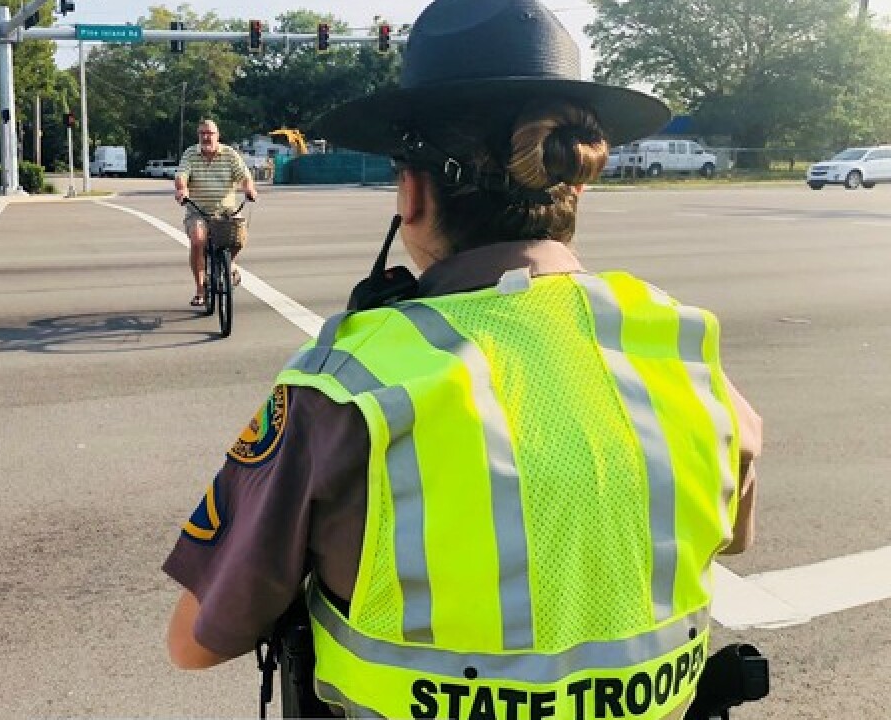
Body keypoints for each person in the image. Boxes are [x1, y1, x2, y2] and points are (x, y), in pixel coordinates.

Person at [162, 0, 763, 718]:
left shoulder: (352, 386)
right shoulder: (682, 347)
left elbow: (195, 640)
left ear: (412, 193)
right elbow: (734, 535)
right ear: (572, 184)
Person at [174, 119, 258, 307]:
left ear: (217, 135)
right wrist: (182, 190)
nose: (206, 137)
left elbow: (244, 176)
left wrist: (249, 189)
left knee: (239, 237)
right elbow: (182, 176)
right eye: (202, 133)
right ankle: (200, 290)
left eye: (210, 133)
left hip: (226, 212)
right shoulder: (190, 154)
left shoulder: (229, 154)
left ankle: (229, 264)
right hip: (198, 211)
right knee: (197, 241)